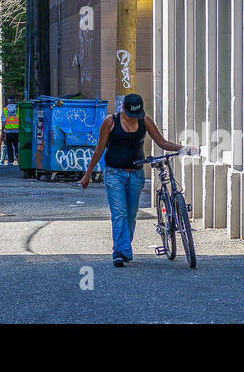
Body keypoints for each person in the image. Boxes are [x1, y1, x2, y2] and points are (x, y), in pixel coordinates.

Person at [79, 93, 192, 267]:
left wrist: (184, 148)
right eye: (131, 116)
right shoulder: (110, 122)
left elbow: (162, 142)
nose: (134, 119)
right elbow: (99, 149)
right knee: (120, 213)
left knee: (131, 215)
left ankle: (124, 247)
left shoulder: (145, 121)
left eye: (136, 116)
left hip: (136, 174)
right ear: (123, 109)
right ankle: (121, 251)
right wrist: (88, 174)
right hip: (114, 173)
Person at [1, 100, 19, 166]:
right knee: (16, 145)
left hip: (8, 132)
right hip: (17, 131)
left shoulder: (5, 110)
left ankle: (10, 161)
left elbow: (3, 122)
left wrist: (3, 133)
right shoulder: (17, 109)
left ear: (7, 102)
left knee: (9, 146)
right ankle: (17, 156)